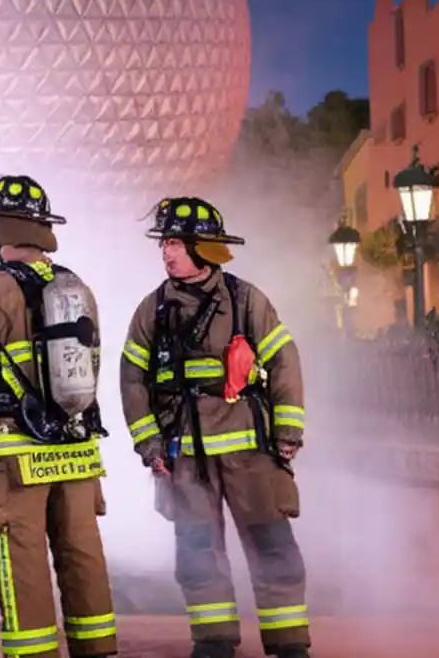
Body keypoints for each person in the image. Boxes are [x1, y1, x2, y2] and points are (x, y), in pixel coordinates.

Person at [119, 197, 310, 658]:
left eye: (175, 243)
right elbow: (132, 380)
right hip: (186, 454)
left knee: (272, 543)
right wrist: (149, 445)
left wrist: (287, 432)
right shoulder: (152, 310)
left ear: (201, 248)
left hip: (251, 450)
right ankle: (213, 641)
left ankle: (289, 643)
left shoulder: (246, 300)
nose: (166, 252)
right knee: (197, 551)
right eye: (164, 243)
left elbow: (284, 362)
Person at [0, 175, 118, 658]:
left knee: (20, 558)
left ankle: (33, 652)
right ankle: (96, 647)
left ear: (0, 230)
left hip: (16, 456)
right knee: (81, 551)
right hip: (77, 450)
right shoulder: (77, 288)